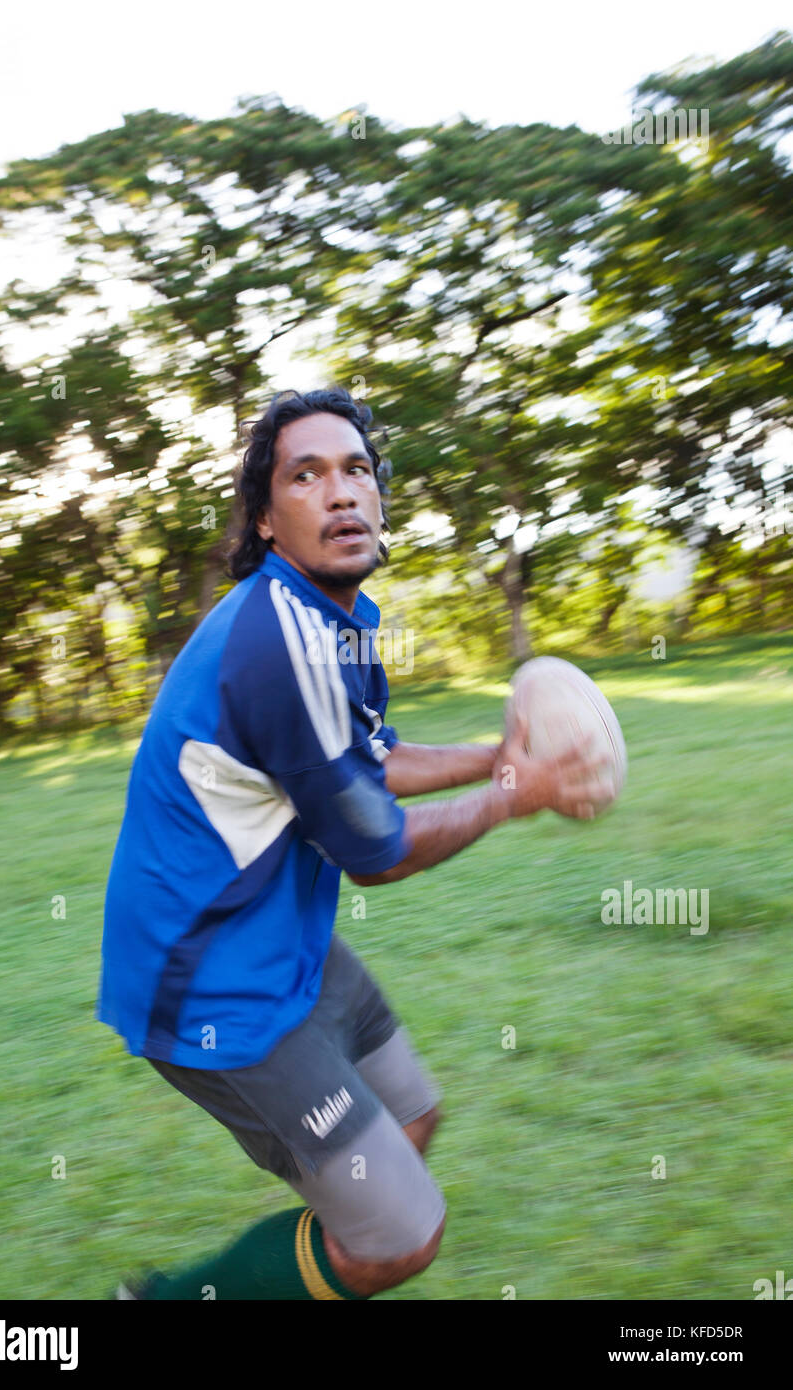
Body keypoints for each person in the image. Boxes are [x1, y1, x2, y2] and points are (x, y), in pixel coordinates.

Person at [97, 386, 605, 1300]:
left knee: (412, 1119)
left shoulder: (335, 624)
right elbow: (379, 852)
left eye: (358, 470)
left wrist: (496, 754)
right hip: (214, 985)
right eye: (307, 475)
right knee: (401, 1236)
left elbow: (374, 760)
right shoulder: (274, 644)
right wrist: (515, 792)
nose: (341, 492)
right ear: (265, 519)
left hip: (280, 940)